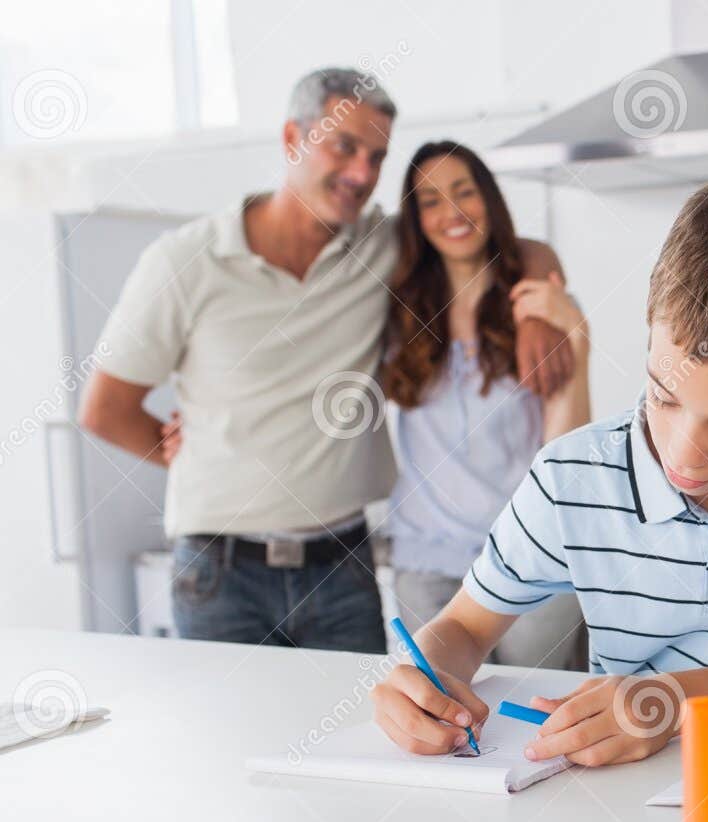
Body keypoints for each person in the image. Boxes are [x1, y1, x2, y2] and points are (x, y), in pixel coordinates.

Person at [372, 169, 708, 767]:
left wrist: (670, 700)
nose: (683, 456)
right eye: (664, 394)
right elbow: (463, 629)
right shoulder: (571, 479)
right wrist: (420, 680)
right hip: (627, 799)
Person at [77, 68, 573, 652]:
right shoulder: (187, 260)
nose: (362, 173)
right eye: (344, 146)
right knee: (226, 738)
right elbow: (104, 409)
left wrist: (537, 308)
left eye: (377, 156)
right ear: (293, 138)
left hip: (341, 568)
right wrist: (198, 451)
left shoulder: (384, 249)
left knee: (351, 739)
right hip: (220, 573)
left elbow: (493, 242)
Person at [379, 140, 590, 670]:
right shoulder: (399, 311)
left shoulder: (540, 302)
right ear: (415, 219)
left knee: (531, 717)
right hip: (428, 560)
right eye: (429, 200)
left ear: (489, 200)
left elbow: (562, 446)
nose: (450, 213)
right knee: (435, 711)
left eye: (464, 192)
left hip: (533, 555)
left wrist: (577, 343)